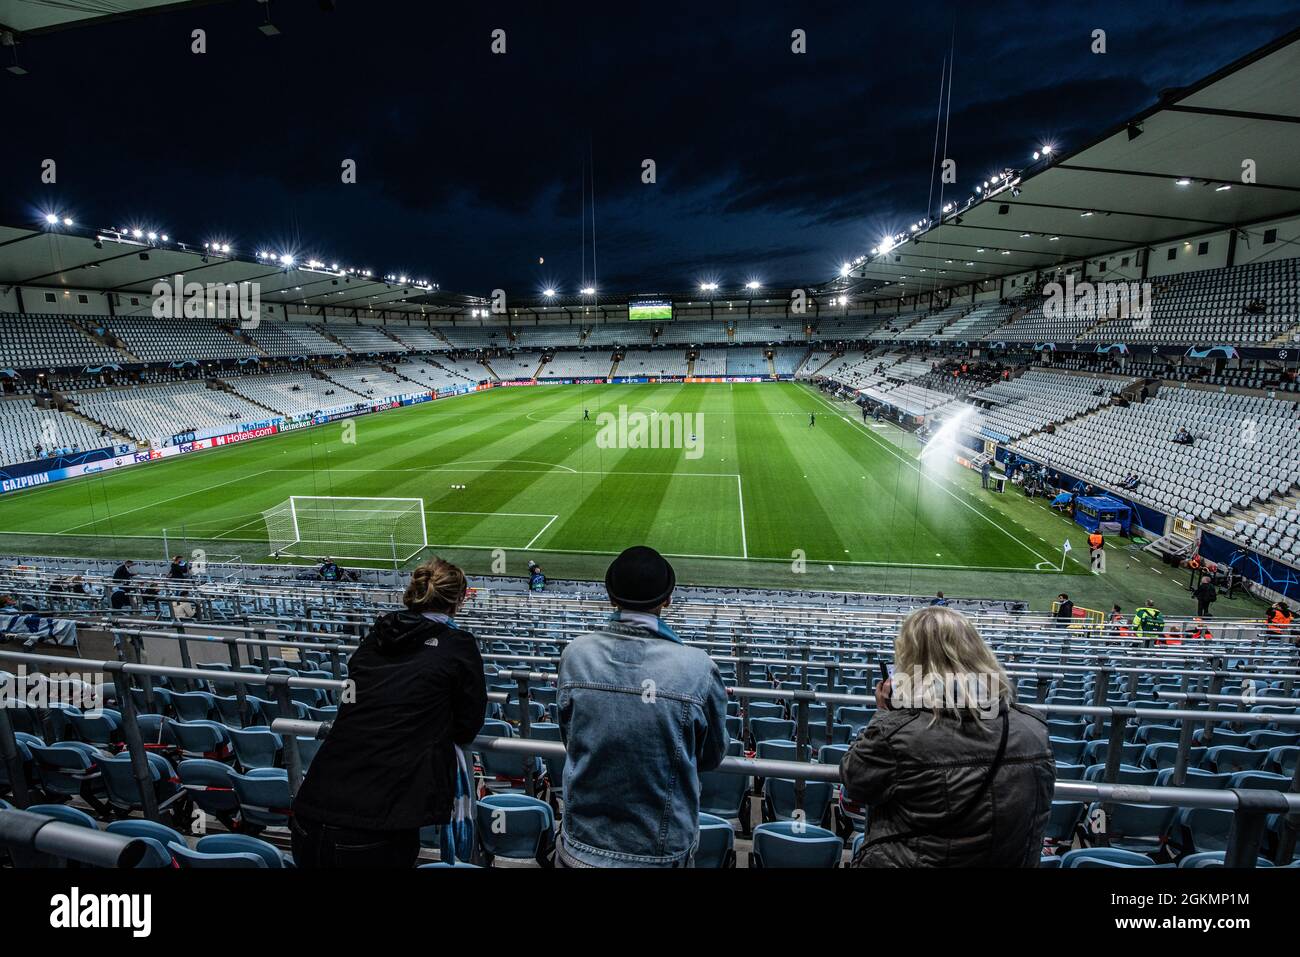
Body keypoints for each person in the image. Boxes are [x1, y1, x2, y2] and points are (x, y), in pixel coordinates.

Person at [292, 558, 486, 868]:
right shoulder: (458, 645)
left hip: (309, 813)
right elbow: (467, 726)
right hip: (374, 826)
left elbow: (355, 701)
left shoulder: (377, 635)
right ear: (459, 600)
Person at [840, 606, 1054, 867]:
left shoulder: (896, 733)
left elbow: (855, 782)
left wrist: (885, 713)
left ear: (910, 662)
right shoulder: (1033, 727)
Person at [556, 546, 728, 868]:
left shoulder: (575, 655)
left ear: (611, 598)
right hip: (660, 853)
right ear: (667, 599)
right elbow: (711, 755)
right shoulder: (698, 667)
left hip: (579, 846)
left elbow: (572, 738)